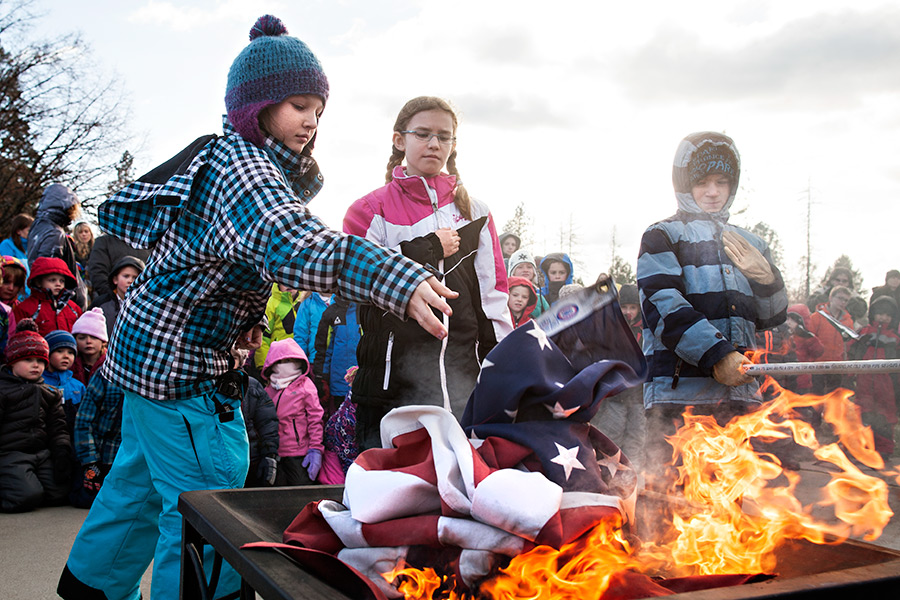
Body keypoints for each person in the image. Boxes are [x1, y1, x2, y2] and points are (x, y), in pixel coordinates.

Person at [58, 16, 455, 600]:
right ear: (257, 107)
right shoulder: (244, 165)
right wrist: (392, 274)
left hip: (145, 356)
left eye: (318, 109)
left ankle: (92, 590)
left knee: (138, 488)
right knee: (203, 504)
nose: (311, 121)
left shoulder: (229, 158)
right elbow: (287, 240)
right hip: (179, 368)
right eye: (298, 106)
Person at [343, 95, 511, 451]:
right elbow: (354, 283)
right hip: (391, 384)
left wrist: (505, 367)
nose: (434, 144)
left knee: (463, 495)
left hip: (466, 382)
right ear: (399, 140)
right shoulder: (368, 209)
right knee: (392, 498)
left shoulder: (476, 212)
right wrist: (426, 248)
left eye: (444, 136)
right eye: (422, 133)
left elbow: (494, 298)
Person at [637, 131, 787, 491]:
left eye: (722, 182)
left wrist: (766, 278)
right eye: (702, 182)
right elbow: (663, 305)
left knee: (725, 510)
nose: (713, 191)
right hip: (678, 397)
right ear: (684, 184)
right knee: (671, 503)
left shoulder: (752, 243)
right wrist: (718, 355)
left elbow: (770, 316)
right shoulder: (662, 235)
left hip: (737, 397)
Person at [0, 319, 72, 512]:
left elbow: (58, 428)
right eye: (28, 360)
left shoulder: (50, 392)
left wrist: (61, 454)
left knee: (59, 493)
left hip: (40, 453)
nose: (36, 365)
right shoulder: (3, 389)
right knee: (26, 496)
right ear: (12, 362)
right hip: (10, 453)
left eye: (41, 361)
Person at [591, 283, 647, 471]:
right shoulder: (611, 330)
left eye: (633, 307)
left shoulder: (645, 331)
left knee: (637, 437)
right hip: (616, 394)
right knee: (612, 435)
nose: (628, 312)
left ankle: (634, 476)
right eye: (624, 307)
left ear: (639, 308)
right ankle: (609, 475)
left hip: (639, 395)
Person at [261, 338, 324, 485]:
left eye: (290, 360)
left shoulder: (305, 386)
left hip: (299, 453)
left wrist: (316, 448)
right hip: (274, 451)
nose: (286, 365)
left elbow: (315, 420)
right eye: (282, 361)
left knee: (299, 494)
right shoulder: (268, 388)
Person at [847, 295, 900, 460]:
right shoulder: (864, 333)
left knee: (885, 415)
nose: (883, 318)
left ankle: (883, 448)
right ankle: (861, 447)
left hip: (887, 385)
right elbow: (852, 353)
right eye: (880, 314)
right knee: (862, 413)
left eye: (887, 315)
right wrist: (849, 376)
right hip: (864, 381)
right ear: (873, 314)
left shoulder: (895, 339)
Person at [27, 183, 88, 310]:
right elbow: (50, 274)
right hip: (64, 305)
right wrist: (62, 305)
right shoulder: (55, 233)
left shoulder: (38, 227)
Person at [312, 296, 360, 417]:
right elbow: (322, 348)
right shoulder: (330, 313)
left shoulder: (363, 310)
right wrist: (320, 377)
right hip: (338, 379)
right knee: (339, 419)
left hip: (361, 379)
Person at [11, 257, 82, 335]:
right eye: (52, 280)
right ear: (38, 282)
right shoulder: (26, 309)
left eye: (62, 281)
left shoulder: (73, 308)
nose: (58, 284)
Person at [808, 285, 855, 396]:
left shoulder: (848, 322)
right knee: (816, 398)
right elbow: (809, 341)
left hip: (837, 367)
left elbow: (849, 344)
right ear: (831, 298)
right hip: (818, 366)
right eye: (840, 298)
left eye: (846, 300)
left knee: (834, 400)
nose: (842, 302)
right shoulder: (816, 317)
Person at [253, 283, 307, 370]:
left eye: (293, 280)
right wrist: (263, 365)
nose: (289, 284)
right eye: (284, 281)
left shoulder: (305, 303)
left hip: (298, 359)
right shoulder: (271, 303)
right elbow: (264, 337)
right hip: (276, 360)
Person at [42, 330, 86, 435]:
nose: (66, 356)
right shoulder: (40, 383)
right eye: (60, 351)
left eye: (70, 352)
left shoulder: (78, 387)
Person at [85, 233, 151, 304]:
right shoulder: (105, 241)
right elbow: (98, 272)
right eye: (126, 276)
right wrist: (114, 298)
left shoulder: (148, 243)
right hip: (112, 302)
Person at [94, 255, 145, 340]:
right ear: (115, 279)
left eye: (135, 277)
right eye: (126, 276)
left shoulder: (148, 305)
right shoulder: (101, 304)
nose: (130, 281)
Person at [70, 308, 108, 388]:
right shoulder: (70, 364)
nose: (88, 341)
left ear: (103, 341)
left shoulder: (109, 364)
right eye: (82, 338)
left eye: (94, 337)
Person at [508, 248, 549, 317]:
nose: (525, 270)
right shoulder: (505, 296)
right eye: (520, 267)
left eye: (529, 267)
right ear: (513, 272)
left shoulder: (540, 299)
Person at [294, 290, 330, 361]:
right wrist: (302, 361)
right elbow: (300, 335)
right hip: (315, 359)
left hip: (340, 361)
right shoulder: (308, 303)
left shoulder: (343, 301)